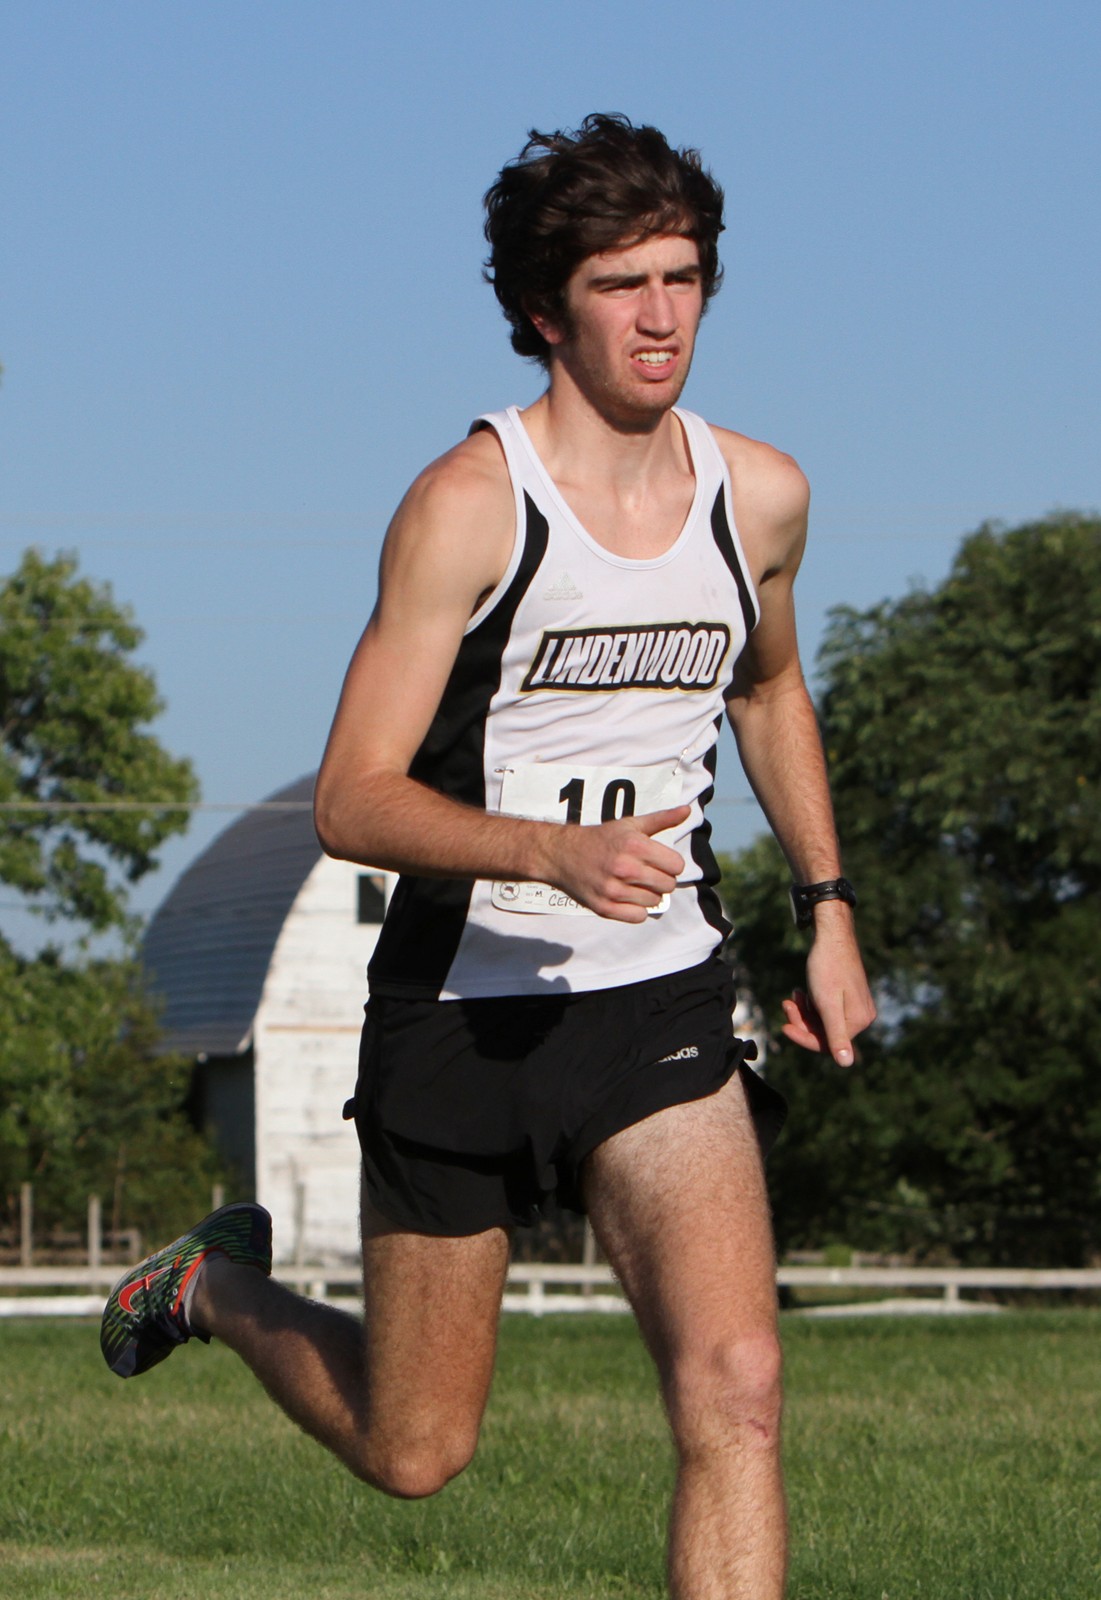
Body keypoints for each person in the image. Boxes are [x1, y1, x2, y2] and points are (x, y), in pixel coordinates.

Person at [102, 114, 875, 1599]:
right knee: (415, 1450)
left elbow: (770, 689)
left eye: (684, 278)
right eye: (619, 284)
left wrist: (826, 907)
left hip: (658, 1004)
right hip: (461, 1015)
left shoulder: (755, 497)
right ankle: (210, 1287)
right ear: (542, 309)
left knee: (736, 1385)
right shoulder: (468, 508)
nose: (661, 317)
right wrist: (546, 852)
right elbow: (348, 799)